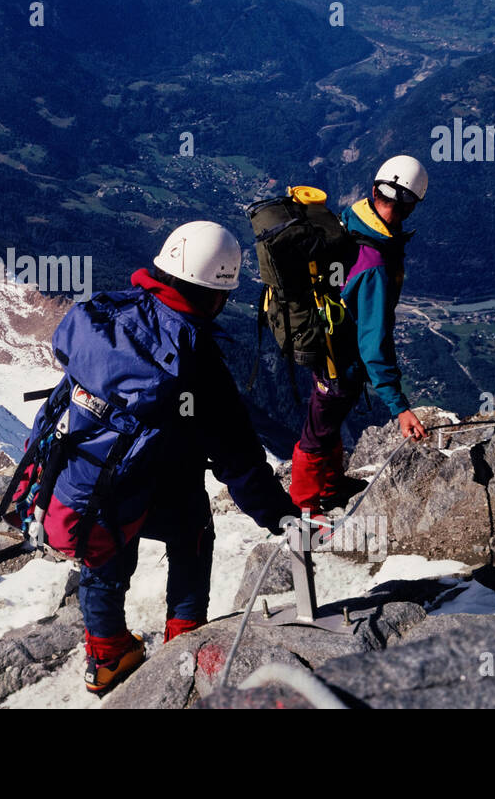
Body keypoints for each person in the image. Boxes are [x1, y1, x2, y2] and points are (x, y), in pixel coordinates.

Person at [30, 220, 297, 695]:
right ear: (215, 294)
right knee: (194, 531)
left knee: (105, 552)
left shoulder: (106, 314)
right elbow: (237, 458)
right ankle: (184, 641)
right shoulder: (195, 362)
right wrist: (280, 516)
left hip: (86, 478)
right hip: (156, 484)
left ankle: (106, 656)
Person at [290, 156, 431, 519]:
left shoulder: (352, 221)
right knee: (317, 432)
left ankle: (331, 486)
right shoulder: (375, 267)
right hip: (341, 360)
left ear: (373, 192)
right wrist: (399, 407)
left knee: (329, 420)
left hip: (327, 344)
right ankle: (304, 506)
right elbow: (374, 344)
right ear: (412, 207)